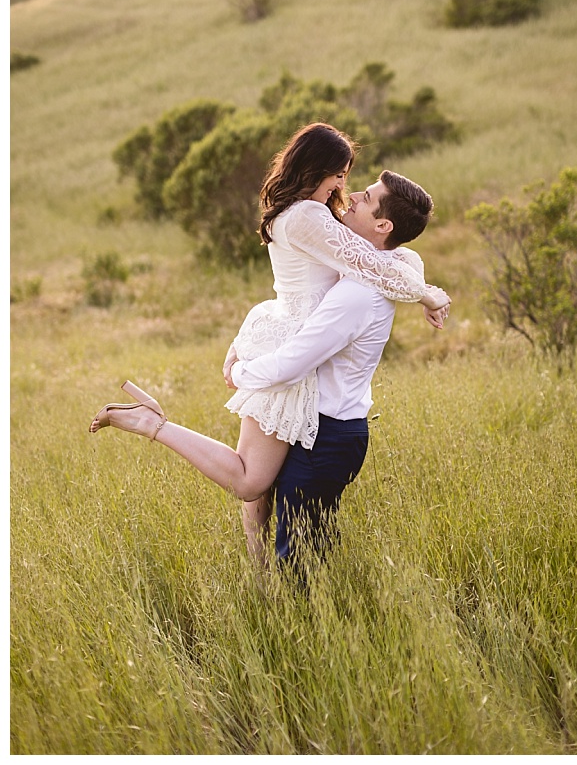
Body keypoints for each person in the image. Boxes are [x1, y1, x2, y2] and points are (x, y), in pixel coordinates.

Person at [90, 123, 449, 563]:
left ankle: (262, 582)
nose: (345, 187)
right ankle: (151, 423)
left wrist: (420, 282)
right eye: (339, 174)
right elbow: (372, 264)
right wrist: (430, 295)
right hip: (290, 341)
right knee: (250, 480)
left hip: (283, 329)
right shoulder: (307, 217)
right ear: (316, 168)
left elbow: (388, 257)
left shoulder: (306, 212)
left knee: (258, 483)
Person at [226, 169, 430, 567]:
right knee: (304, 548)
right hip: (322, 428)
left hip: (328, 436)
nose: (352, 196)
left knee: (299, 564)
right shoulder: (373, 270)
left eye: (366, 198)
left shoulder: (356, 294)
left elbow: (292, 363)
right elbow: (404, 259)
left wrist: (238, 374)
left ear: (383, 225)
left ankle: (315, 623)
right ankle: (291, 603)